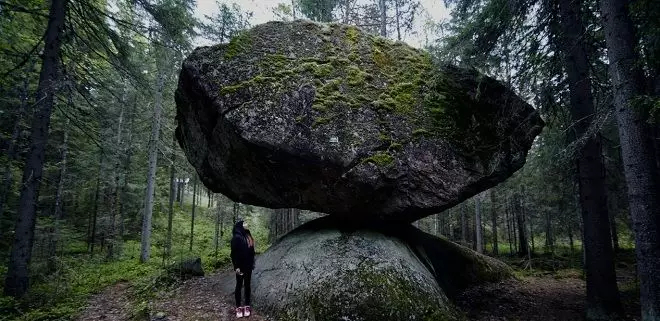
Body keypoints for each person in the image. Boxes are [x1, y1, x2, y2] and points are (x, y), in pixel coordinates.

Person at [231, 219, 255, 318]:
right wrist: (236, 267)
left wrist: (252, 262)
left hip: (248, 265)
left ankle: (247, 306)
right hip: (240, 266)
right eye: (244, 223)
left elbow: (251, 250)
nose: (247, 225)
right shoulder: (237, 237)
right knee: (239, 285)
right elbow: (233, 254)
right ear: (240, 226)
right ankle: (238, 307)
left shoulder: (247, 235)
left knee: (248, 285)